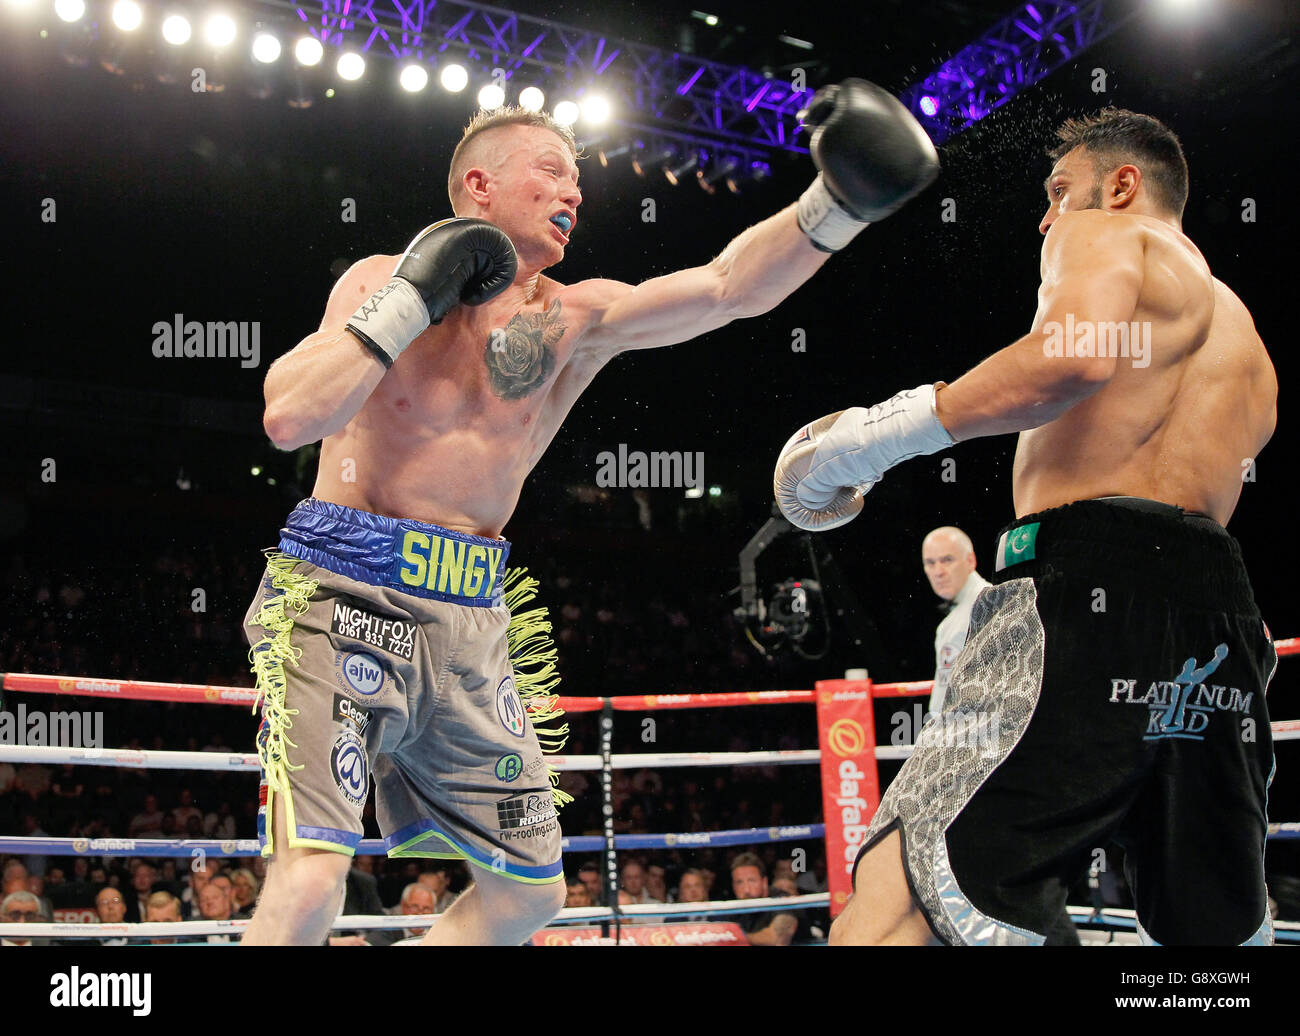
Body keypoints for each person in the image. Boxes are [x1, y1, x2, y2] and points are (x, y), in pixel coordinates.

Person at [241, 79, 938, 947]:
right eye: (552, 171)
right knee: (312, 875)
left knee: (530, 895)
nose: (575, 191)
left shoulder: (573, 318)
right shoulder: (381, 280)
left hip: (469, 616)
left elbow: (728, 287)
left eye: (579, 179)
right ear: (478, 187)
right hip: (342, 591)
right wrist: (415, 296)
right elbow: (289, 416)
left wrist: (834, 207)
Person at [776, 108, 1277, 946]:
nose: (1047, 218)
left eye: (1058, 191)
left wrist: (874, 436)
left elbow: (1071, 358)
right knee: (1215, 944)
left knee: (907, 890)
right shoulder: (1251, 350)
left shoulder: (1110, 235)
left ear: (1121, 186)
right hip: (1221, 622)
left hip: (1082, 596)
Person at [920, 526, 990, 716]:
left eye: (947, 560)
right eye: (930, 563)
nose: (938, 571)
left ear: (970, 561)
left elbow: (943, 704)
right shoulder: (990, 599)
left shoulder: (964, 618)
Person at [728, 853, 798, 946]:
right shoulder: (735, 909)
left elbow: (777, 939)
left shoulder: (781, 899)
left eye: (751, 881)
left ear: (764, 882)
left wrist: (734, 938)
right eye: (739, 883)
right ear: (733, 887)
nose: (746, 890)